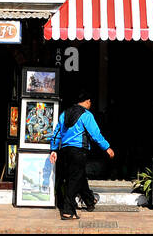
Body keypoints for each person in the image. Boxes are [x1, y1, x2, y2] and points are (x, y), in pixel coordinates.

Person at [48, 90, 113, 221]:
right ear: (87, 101)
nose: (91, 104)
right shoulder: (86, 115)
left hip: (65, 151)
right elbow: (95, 134)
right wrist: (107, 147)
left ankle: (90, 201)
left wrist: (54, 149)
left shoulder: (64, 114)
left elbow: (56, 132)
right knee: (74, 180)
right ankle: (67, 211)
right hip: (79, 151)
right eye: (90, 102)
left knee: (79, 176)